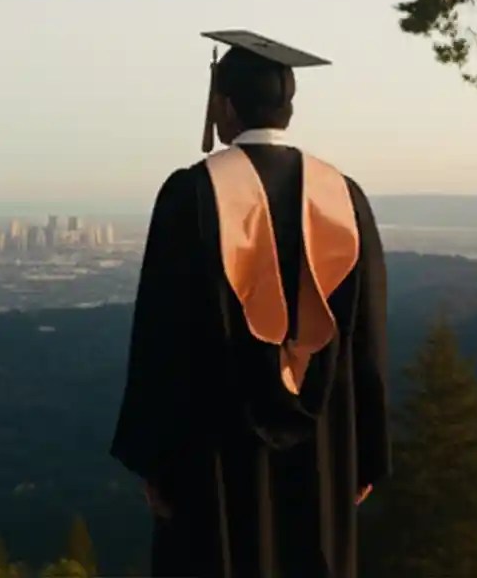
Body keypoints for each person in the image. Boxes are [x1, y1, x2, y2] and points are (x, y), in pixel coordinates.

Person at [109, 30, 391, 577]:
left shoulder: (191, 194)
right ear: (287, 107)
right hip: (323, 453)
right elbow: (368, 335)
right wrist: (365, 452)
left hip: (213, 455)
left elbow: (160, 339)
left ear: (224, 106)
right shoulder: (344, 197)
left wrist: (156, 459)